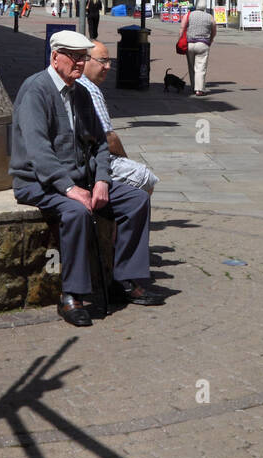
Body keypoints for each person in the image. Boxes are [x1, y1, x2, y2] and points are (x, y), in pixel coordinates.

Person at [10, 30, 160, 326]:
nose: (80, 64)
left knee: (136, 199)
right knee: (77, 211)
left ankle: (125, 279)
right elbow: (39, 152)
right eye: (74, 57)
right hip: (39, 182)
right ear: (55, 57)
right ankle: (72, 295)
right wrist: (69, 188)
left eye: (83, 57)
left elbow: (101, 143)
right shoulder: (35, 91)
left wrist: (102, 180)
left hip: (83, 179)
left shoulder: (80, 92)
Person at [80, 41, 159, 194]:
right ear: (86, 60)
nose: (108, 66)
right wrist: (125, 158)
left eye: (109, 61)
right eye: (103, 61)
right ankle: (121, 216)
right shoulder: (91, 90)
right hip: (90, 159)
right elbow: (109, 138)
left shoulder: (73, 82)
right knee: (145, 179)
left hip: (78, 155)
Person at [182, 0, 217, 96]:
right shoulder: (210, 17)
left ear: (196, 4)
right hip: (203, 44)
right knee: (200, 67)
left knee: (191, 66)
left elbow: (182, 28)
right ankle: (199, 89)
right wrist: (210, 40)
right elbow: (214, 31)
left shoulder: (188, 15)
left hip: (190, 44)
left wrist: (180, 39)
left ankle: (193, 86)